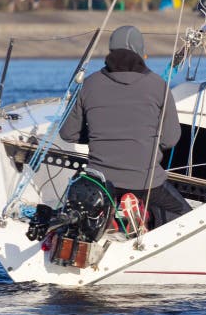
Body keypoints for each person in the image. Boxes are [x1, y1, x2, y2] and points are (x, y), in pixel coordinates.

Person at [60, 25, 191, 228]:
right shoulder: (158, 86)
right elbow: (170, 139)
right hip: (146, 183)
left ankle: (113, 216)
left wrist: (97, 135)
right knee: (183, 215)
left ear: (111, 51)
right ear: (141, 54)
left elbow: (67, 133)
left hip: (101, 182)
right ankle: (143, 215)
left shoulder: (89, 84)